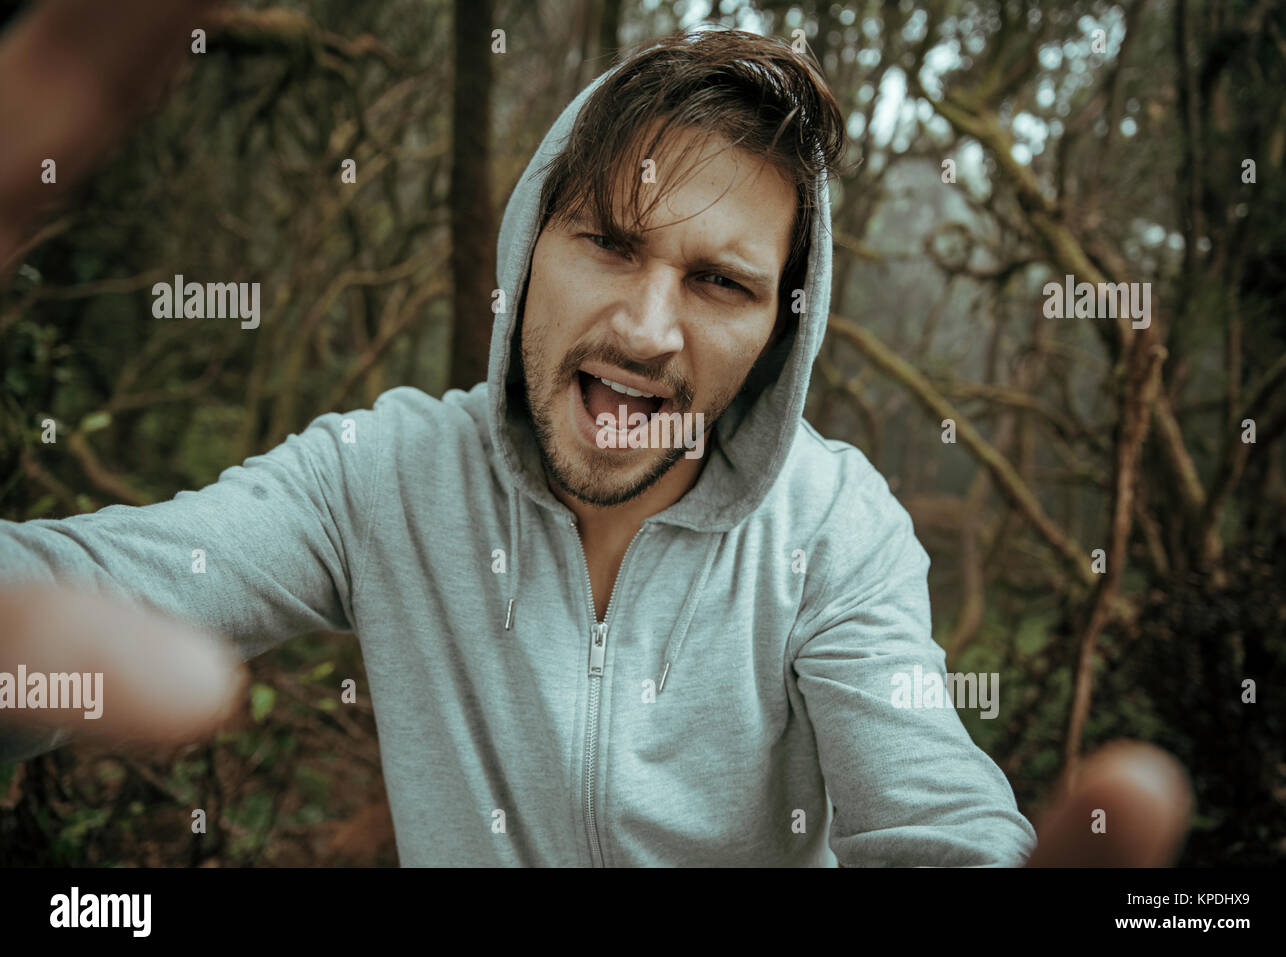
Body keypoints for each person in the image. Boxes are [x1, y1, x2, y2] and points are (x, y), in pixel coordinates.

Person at [0, 10, 1191, 867]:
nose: (645, 327)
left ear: (777, 337)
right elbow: (92, 586)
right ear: (529, 254)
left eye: (719, 282)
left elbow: (926, 803)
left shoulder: (834, 531)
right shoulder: (381, 480)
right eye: (610, 243)